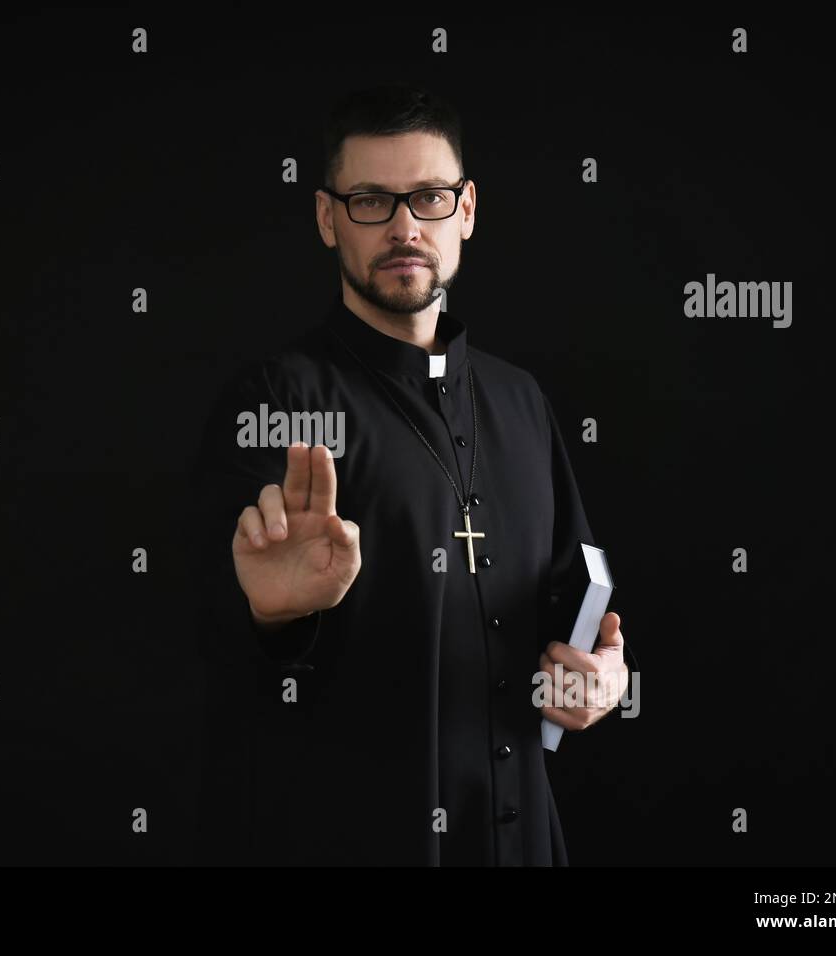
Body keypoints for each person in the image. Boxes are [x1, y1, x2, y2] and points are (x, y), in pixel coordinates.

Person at [190, 84, 638, 866]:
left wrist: (598, 682)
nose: (404, 227)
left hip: (523, 838)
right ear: (328, 219)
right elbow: (210, 641)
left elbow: (577, 606)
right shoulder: (278, 398)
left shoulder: (519, 400)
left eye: (428, 197)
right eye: (370, 200)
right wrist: (270, 614)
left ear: (465, 210)